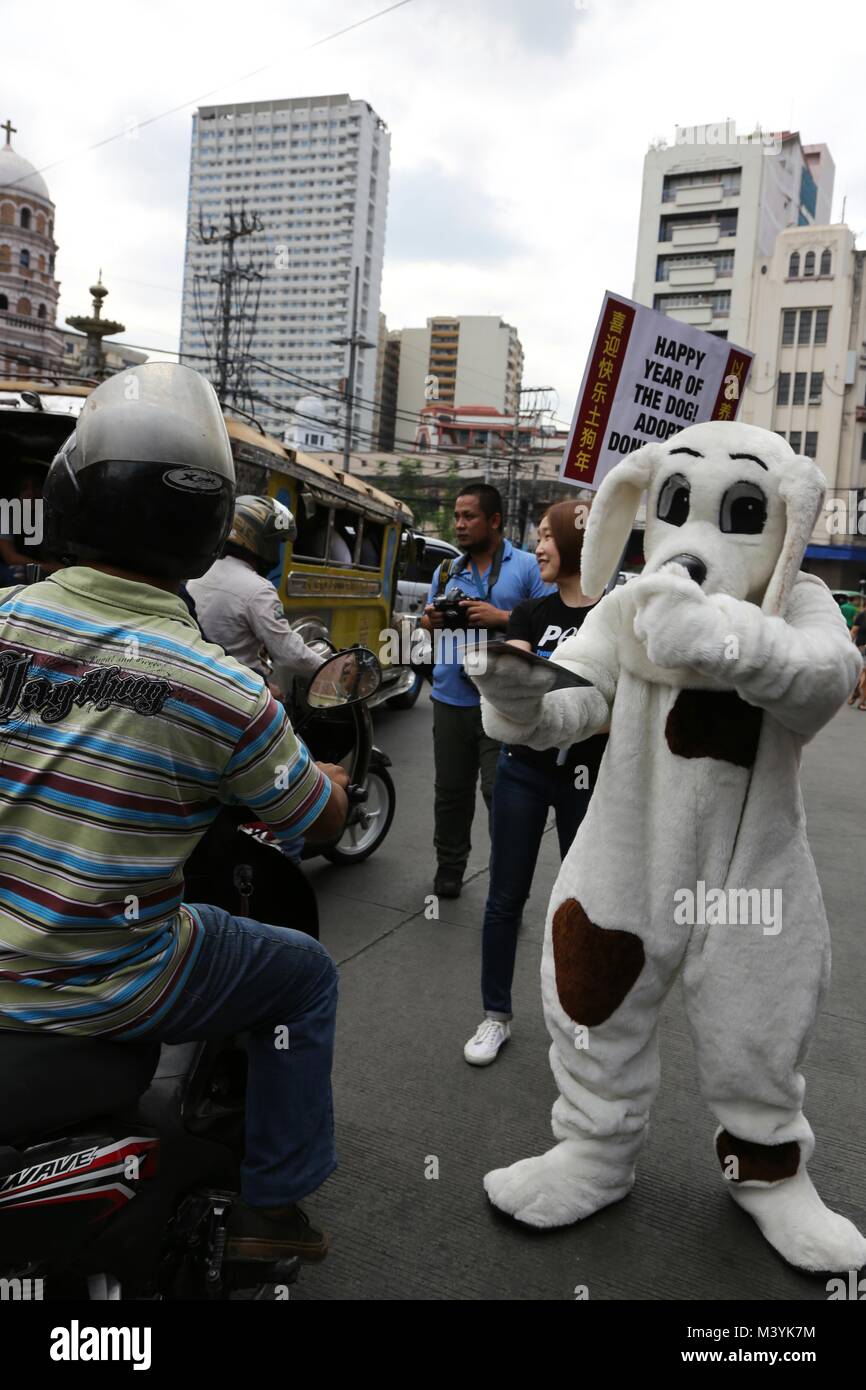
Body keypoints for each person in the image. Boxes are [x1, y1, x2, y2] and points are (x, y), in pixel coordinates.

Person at [0, 364, 349, 1265]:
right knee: (305, 971)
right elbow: (316, 822)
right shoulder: (226, 690)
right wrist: (338, 781)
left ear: (70, 497)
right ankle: (273, 1207)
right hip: (111, 983)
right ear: (207, 524)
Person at [464, 500, 607, 1065]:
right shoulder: (528, 611)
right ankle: (494, 1015)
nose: (539, 546)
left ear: (577, 542)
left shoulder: (613, 617)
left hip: (587, 774)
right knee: (505, 898)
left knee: (585, 901)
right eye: (538, 535)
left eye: (547, 535)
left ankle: (584, 1020)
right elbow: (516, 684)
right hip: (521, 769)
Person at [420, 484, 549, 899]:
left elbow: (551, 629)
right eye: (456, 516)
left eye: (468, 516)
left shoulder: (528, 567)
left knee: (503, 796)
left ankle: (508, 882)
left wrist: (502, 617)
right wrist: (430, 623)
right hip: (450, 698)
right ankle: (449, 868)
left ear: (494, 521)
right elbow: (426, 620)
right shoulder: (446, 572)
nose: (459, 524)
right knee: (450, 792)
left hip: (503, 702)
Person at [187, 495, 322, 697]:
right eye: (276, 543)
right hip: (240, 691)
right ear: (258, 540)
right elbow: (290, 654)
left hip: (199, 680)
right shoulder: (258, 589)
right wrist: (329, 666)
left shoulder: (200, 573)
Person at [846, 596, 866, 709]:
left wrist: (846, 642)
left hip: (860, 647)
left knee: (862, 672)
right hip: (862, 648)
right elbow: (854, 631)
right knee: (864, 673)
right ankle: (862, 702)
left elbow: (854, 631)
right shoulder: (861, 616)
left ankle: (857, 691)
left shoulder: (861, 615)